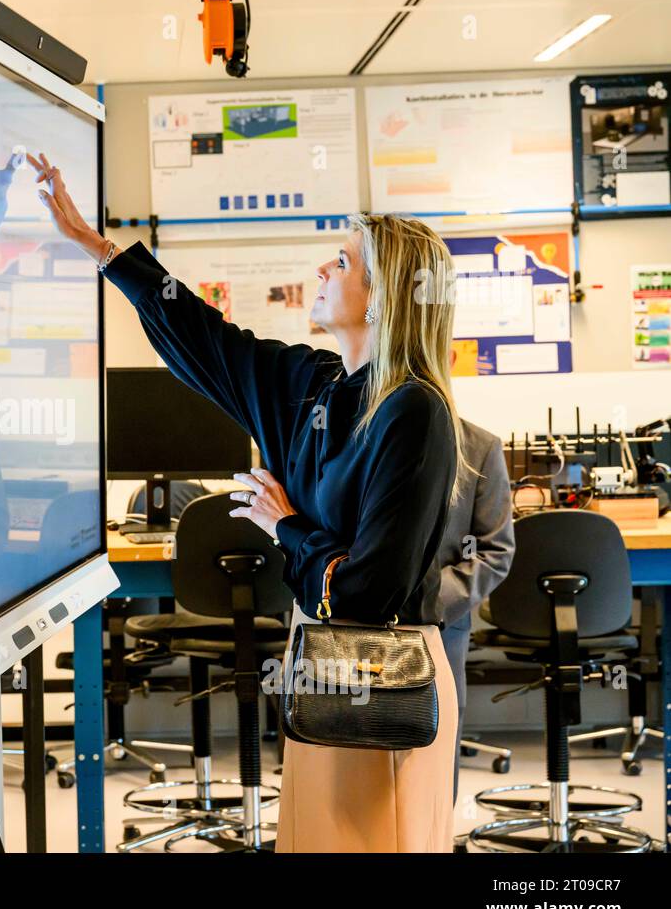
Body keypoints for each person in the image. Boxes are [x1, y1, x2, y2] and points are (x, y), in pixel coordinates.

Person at [28, 152, 462, 852]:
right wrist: (97, 246)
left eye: (343, 263)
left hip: (382, 674)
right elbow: (207, 339)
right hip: (320, 659)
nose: (323, 270)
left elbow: (368, 587)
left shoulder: (414, 413)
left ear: (382, 298)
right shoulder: (315, 385)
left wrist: (286, 527)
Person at [436, 416, 515, 801]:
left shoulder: (478, 447)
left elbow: (495, 551)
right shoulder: (344, 433)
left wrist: (428, 603)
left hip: (438, 622)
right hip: (352, 622)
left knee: (434, 749)